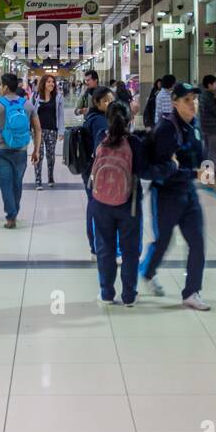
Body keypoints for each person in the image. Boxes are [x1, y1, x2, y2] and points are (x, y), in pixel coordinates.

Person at [139, 81, 210, 311]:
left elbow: (200, 155)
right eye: (187, 100)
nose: (193, 104)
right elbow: (162, 169)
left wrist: (203, 170)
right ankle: (147, 273)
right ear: (175, 103)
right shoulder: (166, 129)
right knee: (162, 241)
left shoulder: (195, 125)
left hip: (188, 193)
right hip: (166, 194)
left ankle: (191, 291)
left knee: (197, 241)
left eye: (195, 99)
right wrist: (192, 172)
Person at [89, 102, 146, 306]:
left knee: (105, 248)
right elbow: (142, 171)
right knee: (130, 250)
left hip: (101, 202)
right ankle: (129, 295)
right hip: (128, 204)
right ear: (129, 118)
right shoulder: (134, 142)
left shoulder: (100, 138)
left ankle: (106, 294)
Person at [0, 73, 41, 228]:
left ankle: (11, 216)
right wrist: (36, 150)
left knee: (5, 183)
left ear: (6, 87)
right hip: (21, 150)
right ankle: (14, 211)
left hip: (1, 150)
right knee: (17, 183)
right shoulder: (27, 104)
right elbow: (37, 129)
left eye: (1, 85)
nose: (0, 88)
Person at [81, 86, 115, 256]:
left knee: (93, 204)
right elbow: (101, 150)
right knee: (97, 206)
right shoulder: (100, 121)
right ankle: (97, 244)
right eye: (106, 101)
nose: (110, 103)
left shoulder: (92, 117)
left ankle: (95, 244)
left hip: (89, 168)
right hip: (96, 171)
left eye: (111, 100)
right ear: (96, 102)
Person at [33, 73, 64, 190]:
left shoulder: (58, 97)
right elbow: (31, 113)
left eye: (53, 82)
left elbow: (61, 115)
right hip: (38, 132)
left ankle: (50, 177)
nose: (51, 84)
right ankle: (38, 180)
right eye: (49, 82)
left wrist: (61, 131)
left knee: (51, 156)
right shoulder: (36, 96)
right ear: (43, 83)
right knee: (38, 155)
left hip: (52, 131)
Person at [198, 74, 216, 174]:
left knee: (206, 151)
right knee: (213, 152)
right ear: (209, 85)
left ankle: (206, 176)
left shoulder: (203, 95)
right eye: (215, 84)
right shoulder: (209, 97)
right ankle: (210, 176)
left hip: (204, 127)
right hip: (212, 128)